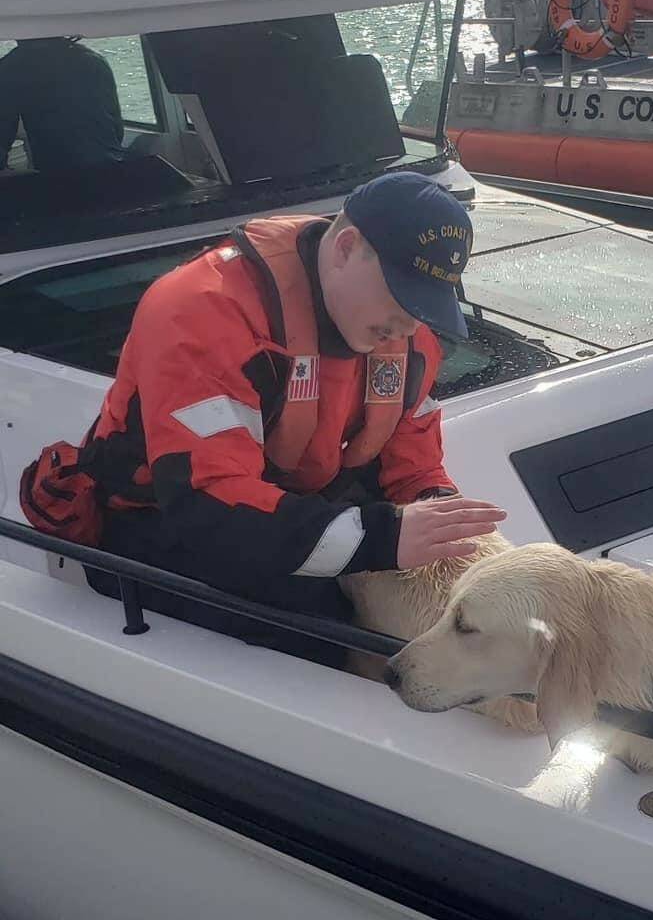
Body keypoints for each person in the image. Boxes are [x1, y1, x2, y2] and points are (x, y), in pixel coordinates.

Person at [51, 172, 505, 624]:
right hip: (168, 518)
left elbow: (414, 464)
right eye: (402, 296)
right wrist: (383, 539)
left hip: (296, 508)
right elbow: (209, 503)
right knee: (326, 625)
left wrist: (446, 521)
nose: (410, 323)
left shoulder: (405, 335)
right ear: (345, 248)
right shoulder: (202, 312)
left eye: (425, 305)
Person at [0, 36, 124, 174]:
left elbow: (2, 131)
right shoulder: (94, 59)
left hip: (59, 174)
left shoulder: (10, 67)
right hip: (112, 167)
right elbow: (116, 128)